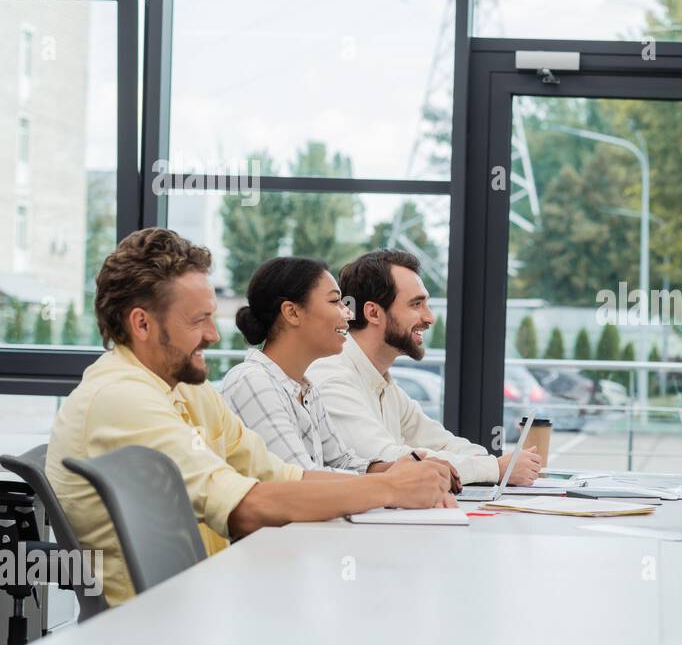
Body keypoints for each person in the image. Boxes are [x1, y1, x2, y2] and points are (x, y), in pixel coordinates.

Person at [46, 229, 455, 607]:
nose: (214, 335)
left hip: (208, 597)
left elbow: (284, 475)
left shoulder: (187, 388)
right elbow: (247, 507)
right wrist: (389, 489)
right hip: (160, 624)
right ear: (142, 324)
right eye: (197, 320)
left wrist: (396, 484)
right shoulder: (122, 397)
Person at [309, 249, 541, 486]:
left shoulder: (383, 383)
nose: (430, 318)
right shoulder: (332, 377)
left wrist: (495, 464)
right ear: (373, 313)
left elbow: (441, 443)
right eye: (416, 304)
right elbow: (385, 461)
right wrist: (495, 469)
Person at [223, 256, 403, 475]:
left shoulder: (305, 389)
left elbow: (341, 461)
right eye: (334, 301)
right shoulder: (252, 381)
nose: (348, 312)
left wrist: (401, 468)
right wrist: (394, 482)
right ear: (292, 312)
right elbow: (300, 479)